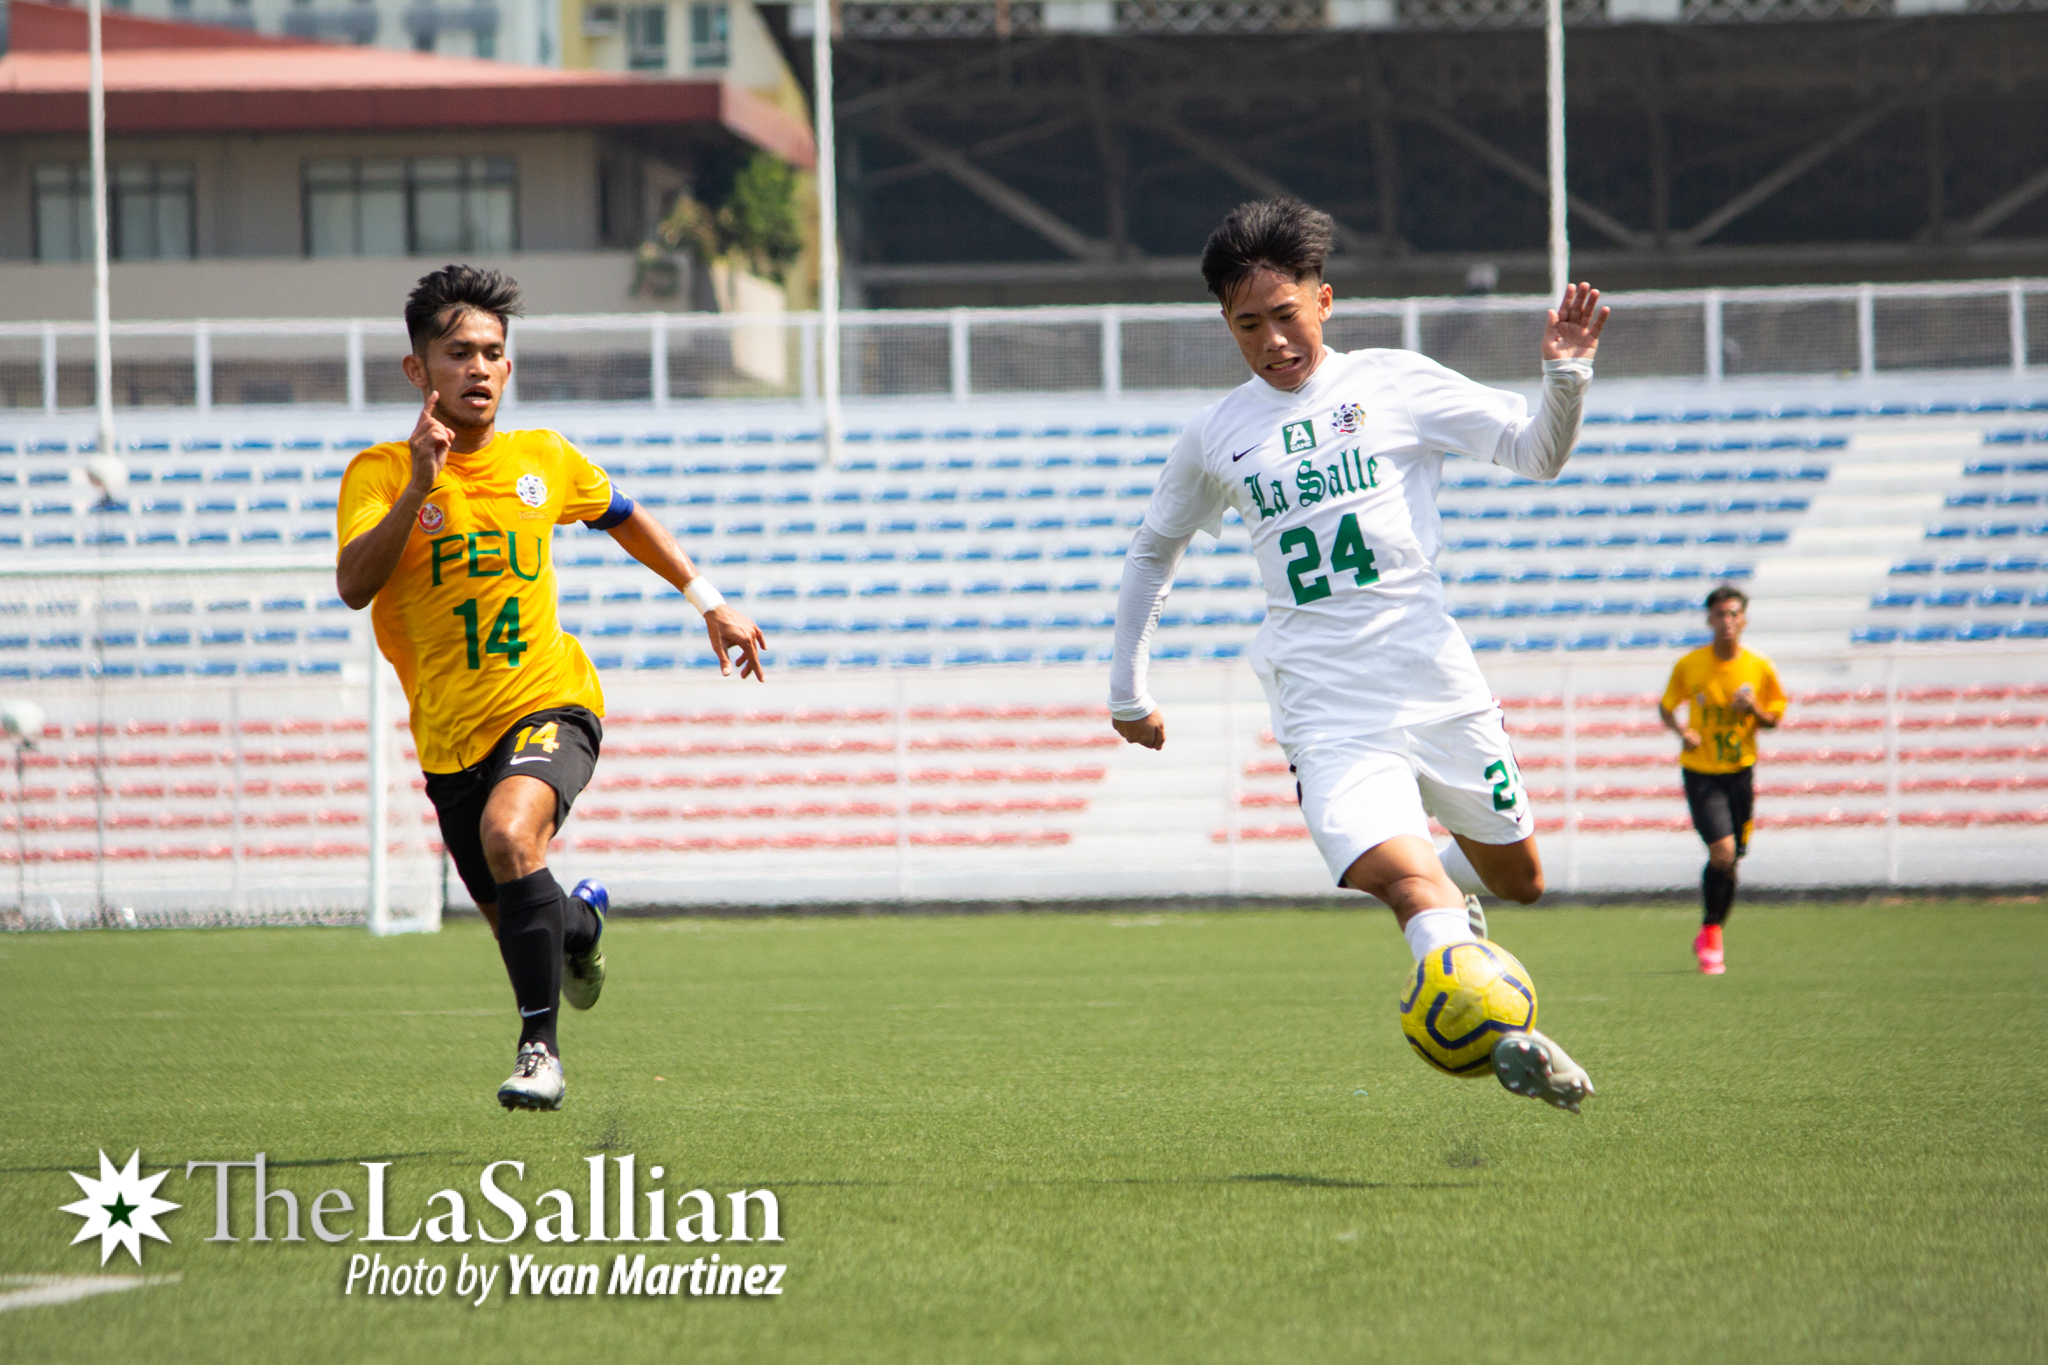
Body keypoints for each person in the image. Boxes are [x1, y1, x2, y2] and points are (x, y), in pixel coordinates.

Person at [1109, 198, 1608, 1113]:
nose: (1272, 341)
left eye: (1285, 315)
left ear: (1324, 301)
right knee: (1402, 876)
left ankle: (1457, 908)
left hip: (1434, 682)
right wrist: (1127, 690)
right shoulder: (1217, 433)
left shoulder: (1396, 383)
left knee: (1522, 879)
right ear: (1228, 325)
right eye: (1247, 325)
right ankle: (1492, 1022)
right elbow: (1152, 549)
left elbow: (1536, 453)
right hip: (1325, 706)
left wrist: (1565, 377)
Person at [336, 265, 766, 1110]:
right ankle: (582, 925)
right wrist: (421, 485)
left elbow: (625, 515)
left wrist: (708, 601)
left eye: (494, 352)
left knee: (509, 832)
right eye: (459, 352)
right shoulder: (381, 473)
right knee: (520, 906)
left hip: (550, 702)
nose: (481, 368)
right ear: (417, 370)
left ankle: (539, 1051)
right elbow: (355, 583)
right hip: (449, 739)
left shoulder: (544, 458)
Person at [1658, 585, 1785, 975]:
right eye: (1720, 615)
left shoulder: (1759, 667)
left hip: (1740, 773)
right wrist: (1683, 733)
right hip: (1701, 773)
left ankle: (1710, 927)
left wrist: (1755, 708)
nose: (1727, 622)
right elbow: (1665, 707)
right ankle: (1712, 935)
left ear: (1743, 619)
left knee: (1732, 862)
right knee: (1723, 853)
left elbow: (1774, 719)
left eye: (1733, 614)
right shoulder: (1691, 665)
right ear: (1709, 619)